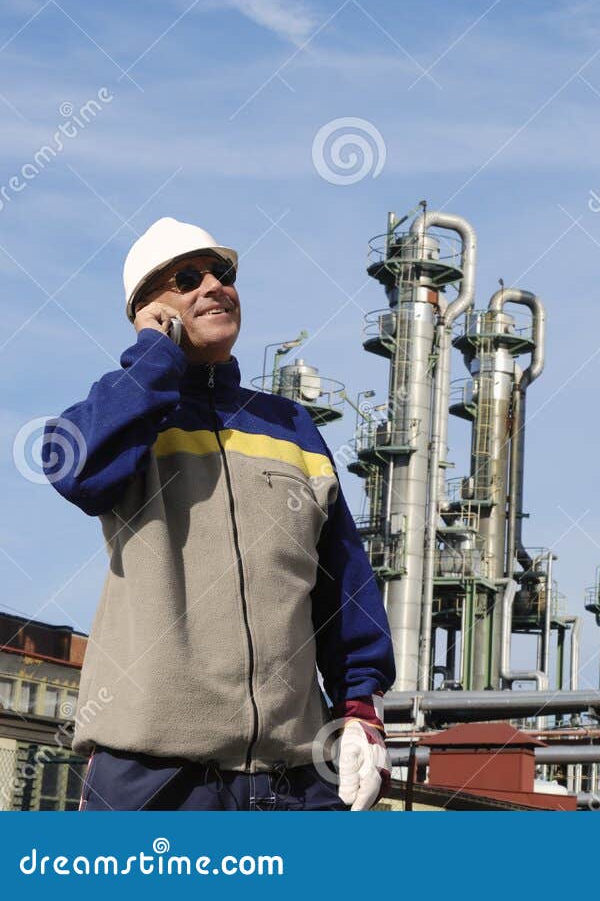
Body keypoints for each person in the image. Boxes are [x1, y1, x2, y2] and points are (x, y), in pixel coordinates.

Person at [44, 217, 396, 810]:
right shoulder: (132, 418)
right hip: (155, 775)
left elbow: (343, 581)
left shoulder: (291, 428)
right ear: (149, 311)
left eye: (223, 273)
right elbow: (75, 470)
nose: (214, 286)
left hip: (293, 776)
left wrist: (361, 710)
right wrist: (154, 360)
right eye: (187, 278)